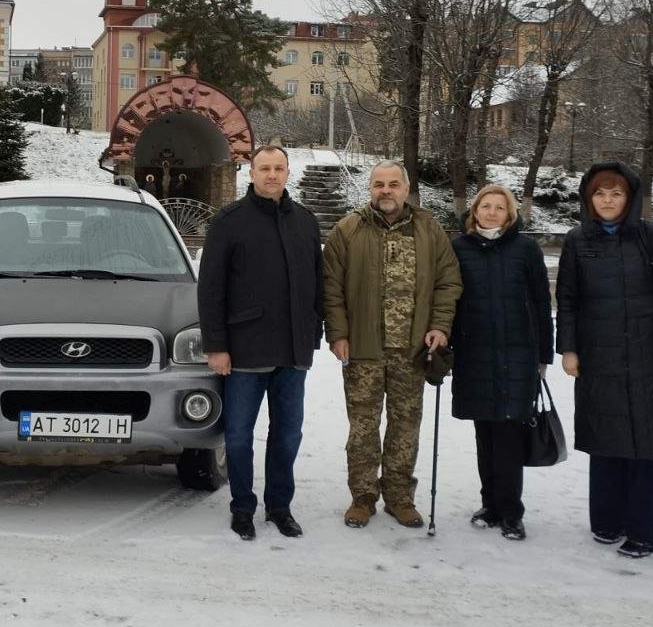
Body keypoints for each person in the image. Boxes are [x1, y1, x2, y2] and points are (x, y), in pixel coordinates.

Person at [557, 161, 653, 558]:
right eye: (599, 193)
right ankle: (608, 519)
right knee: (607, 435)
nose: (608, 200)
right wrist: (569, 348)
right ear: (588, 199)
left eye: (616, 193)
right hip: (599, 356)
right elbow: (568, 299)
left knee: (650, 439)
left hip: (650, 356)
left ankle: (648, 530)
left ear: (629, 199)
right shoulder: (578, 240)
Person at [323, 160, 462, 528]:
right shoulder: (348, 230)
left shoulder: (429, 229)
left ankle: (399, 497)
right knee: (363, 428)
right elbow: (331, 288)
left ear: (406, 188)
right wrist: (338, 334)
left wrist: (439, 326)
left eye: (393, 184)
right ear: (370, 188)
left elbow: (448, 282)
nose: (386, 190)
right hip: (363, 349)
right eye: (379, 184)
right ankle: (363, 497)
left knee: (405, 427)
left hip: (412, 350)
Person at [197, 144, 323, 541]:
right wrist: (216, 345)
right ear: (251, 173)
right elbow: (211, 289)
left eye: (279, 168)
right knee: (238, 436)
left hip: (292, 350)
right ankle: (242, 507)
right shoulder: (229, 221)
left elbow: (317, 285)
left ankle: (280, 506)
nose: (272, 175)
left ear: (288, 173)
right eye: (264, 168)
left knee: (288, 435)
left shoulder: (305, 221)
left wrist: (313, 332)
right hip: (245, 349)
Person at [449, 184, 553, 541]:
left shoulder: (525, 249)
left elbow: (541, 303)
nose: (491, 212)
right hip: (474, 353)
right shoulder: (459, 248)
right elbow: (449, 298)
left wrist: (543, 355)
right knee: (485, 434)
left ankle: (511, 511)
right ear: (474, 211)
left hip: (517, 354)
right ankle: (489, 504)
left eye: (499, 207)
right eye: (485, 206)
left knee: (509, 434)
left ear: (510, 214)